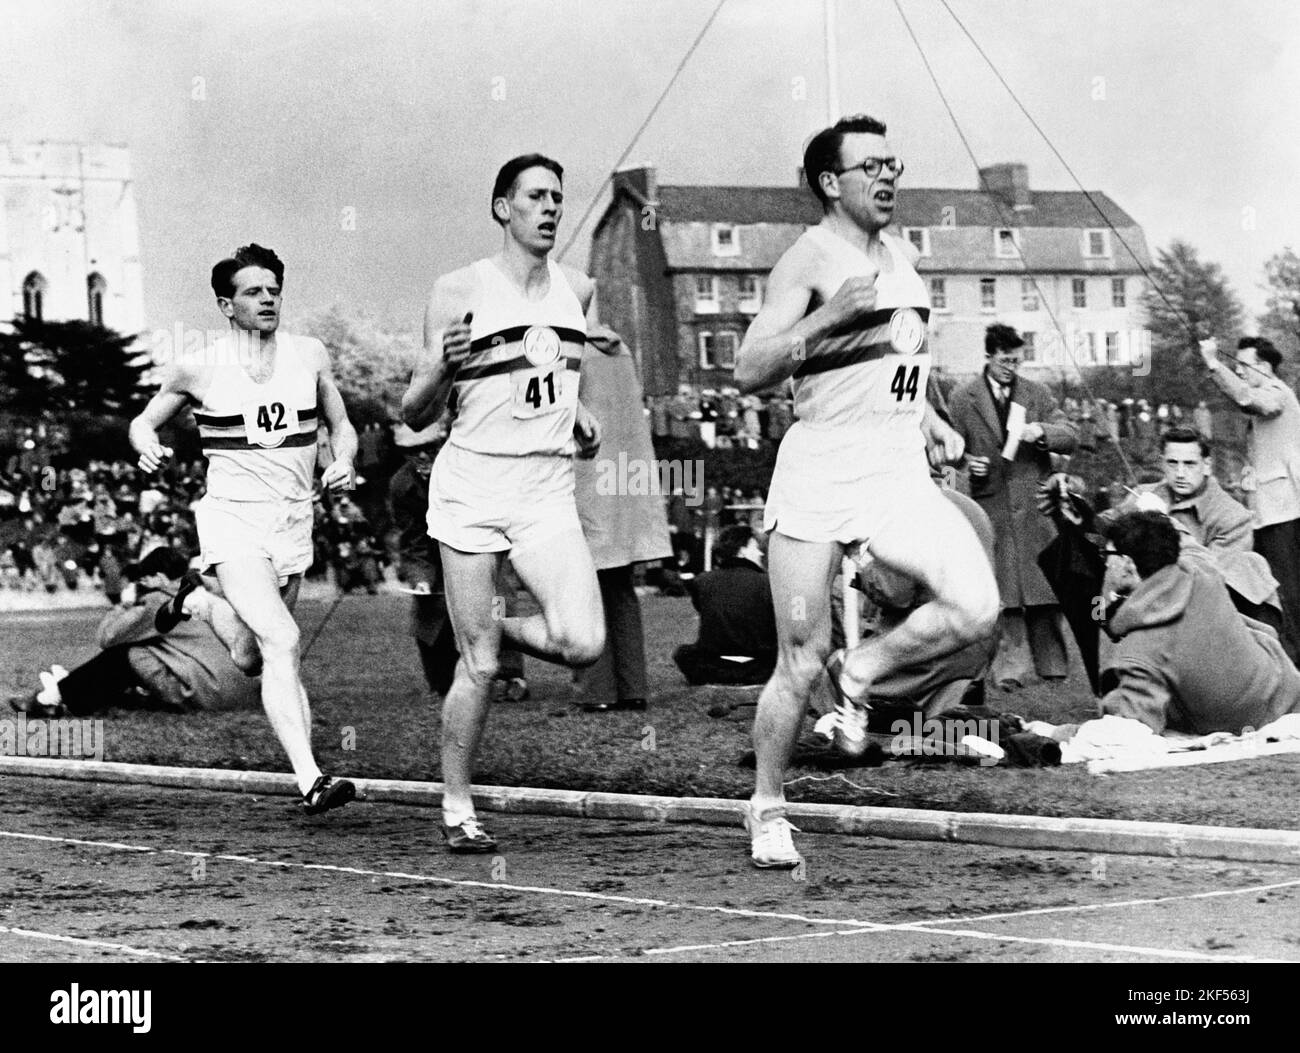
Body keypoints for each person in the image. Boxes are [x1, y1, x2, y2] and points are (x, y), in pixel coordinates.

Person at [732, 114, 998, 868]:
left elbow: (897, 363)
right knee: (800, 655)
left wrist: (932, 421)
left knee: (975, 607)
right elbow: (750, 368)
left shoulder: (905, 258)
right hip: (819, 469)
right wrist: (827, 317)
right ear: (829, 182)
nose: (888, 178)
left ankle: (866, 672)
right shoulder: (804, 262)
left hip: (893, 469)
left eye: (894, 164)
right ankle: (769, 806)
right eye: (871, 166)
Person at [401, 153, 606, 854]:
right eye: (535, 197)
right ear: (502, 208)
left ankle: (486, 624)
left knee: (584, 641)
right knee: (481, 669)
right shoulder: (459, 288)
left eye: (558, 196)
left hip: (545, 489)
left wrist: (576, 412)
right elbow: (413, 410)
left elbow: (552, 368)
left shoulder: (577, 288)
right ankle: (457, 803)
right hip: (473, 486)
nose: (550, 208)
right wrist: (440, 365)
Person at [128, 243, 359, 815]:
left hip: (290, 522)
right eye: (254, 291)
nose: (268, 299)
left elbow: (342, 424)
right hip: (232, 522)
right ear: (226, 305)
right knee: (283, 640)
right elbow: (143, 420)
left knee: (254, 656)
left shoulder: (309, 355)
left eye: (274, 290)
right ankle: (312, 779)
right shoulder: (200, 366)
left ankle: (205, 607)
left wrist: (345, 460)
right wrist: (145, 445)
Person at [949, 323, 1077, 689]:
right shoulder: (962, 398)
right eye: (1004, 360)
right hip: (992, 510)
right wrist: (965, 464)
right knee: (1005, 599)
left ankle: (1054, 667)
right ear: (988, 357)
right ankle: (1009, 672)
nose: (1010, 368)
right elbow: (945, 454)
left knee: (1044, 595)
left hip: (1034, 508)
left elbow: (1071, 436)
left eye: (1016, 361)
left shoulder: (1037, 394)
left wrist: (1042, 433)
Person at [1098, 511, 1300, 735]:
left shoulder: (1142, 648)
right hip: (1286, 688)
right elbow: (1188, 544)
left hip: (1243, 724)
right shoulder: (1200, 571)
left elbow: (1131, 725)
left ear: (1128, 564)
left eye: (1107, 554)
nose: (1105, 562)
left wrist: (1069, 732)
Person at [9, 546, 261, 718]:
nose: (141, 585)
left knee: (125, 654)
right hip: (244, 692)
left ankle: (51, 697)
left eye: (145, 579)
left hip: (212, 695)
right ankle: (67, 687)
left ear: (160, 577)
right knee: (147, 652)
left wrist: (124, 603)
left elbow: (107, 638)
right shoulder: (206, 593)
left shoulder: (159, 601)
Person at [572, 326, 673, 713]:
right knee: (620, 587)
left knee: (588, 582)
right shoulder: (619, 349)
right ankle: (633, 686)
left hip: (587, 474)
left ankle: (597, 690)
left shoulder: (568, 349)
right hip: (625, 477)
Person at [1116, 427, 1284, 643]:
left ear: (1206, 466)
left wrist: (1164, 524)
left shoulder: (1233, 516)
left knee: (1252, 562)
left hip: (1204, 617)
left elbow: (1207, 579)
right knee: (1098, 587)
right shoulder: (1142, 495)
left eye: (1189, 464)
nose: (1180, 473)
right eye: (1172, 463)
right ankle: (1100, 636)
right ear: (1162, 463)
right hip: (1143, 600)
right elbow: (1105, 535)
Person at [1199, 336, 1300, 658]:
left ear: (1264, 367)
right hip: (1271, 511)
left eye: (1243, 365)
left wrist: (1214, 363)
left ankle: (1291, 662)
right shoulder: (1273, 397)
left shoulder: (1276, 394)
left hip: (1282, 512)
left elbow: (1245, 398)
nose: (1238, 371)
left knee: (1286, 590)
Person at [673, 525, 778, 686]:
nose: (760, 553)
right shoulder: (768, 583)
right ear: (741, 551)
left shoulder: (702, 581)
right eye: (755, 548)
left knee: (684, 653)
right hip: (760, 666)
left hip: (713, 666)